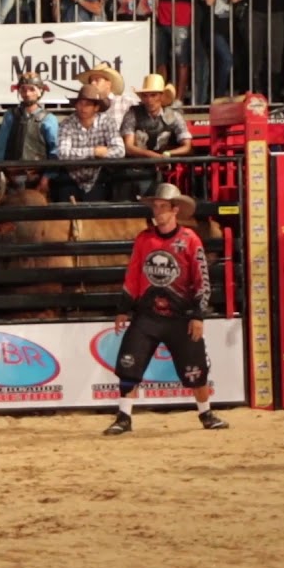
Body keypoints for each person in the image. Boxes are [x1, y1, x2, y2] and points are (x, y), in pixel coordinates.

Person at [104, 183, 230, 435]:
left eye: (162, 207)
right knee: (130, 363)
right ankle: (123, 416)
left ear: (175, 210)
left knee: (195, 369)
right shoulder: (144, 239)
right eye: (155, 207)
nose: (157, 212)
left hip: (180, 316)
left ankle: (206, 412)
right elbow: (133, 274)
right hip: (147, 314)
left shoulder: (190, 240)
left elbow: (201, 280)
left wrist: (197, 315)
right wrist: (123, 309)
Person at [0, 71, 58, 192]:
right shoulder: (10, 116)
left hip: (37, 178)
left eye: (31, 89)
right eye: (23, 89)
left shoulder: (49, 119)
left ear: (40, 92)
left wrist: (46, 178)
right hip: (11, 177)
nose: (27, 93)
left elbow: (55, 152)